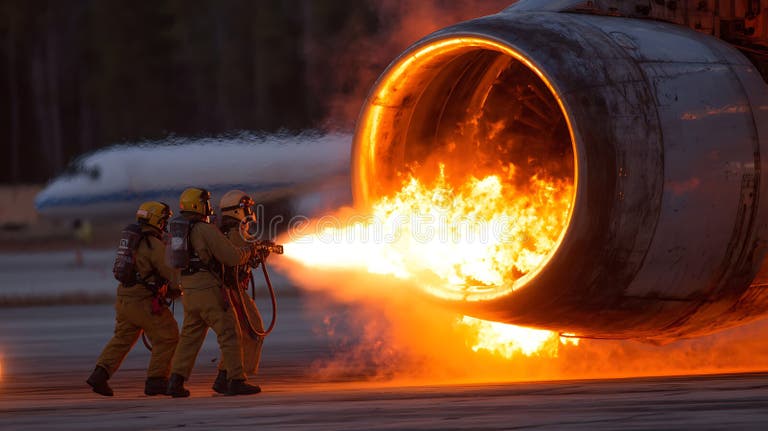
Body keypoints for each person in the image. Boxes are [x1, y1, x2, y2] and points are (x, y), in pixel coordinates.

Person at [166, 187, 262, 397]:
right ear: (198, 206)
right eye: (206, 203)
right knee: (230, 333)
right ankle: (235, 380)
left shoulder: (180, 231)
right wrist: (251, 252)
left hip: (189, 291)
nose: (209, 207)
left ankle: (175, 380)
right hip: (209, 291)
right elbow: (232, 257)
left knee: (190, 338)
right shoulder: (205, 229)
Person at [86, 201, 180, 397]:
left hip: (124, 299)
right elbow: (170, 272)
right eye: (163, 220)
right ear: (156, 219)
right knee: (168, 336)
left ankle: (100, 375)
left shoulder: (132, 240)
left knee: (122, 339)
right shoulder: (153, 243)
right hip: (143, 301)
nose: (164, 224)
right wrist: (175, 289)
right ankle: (156, 380)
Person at [211, 190, 267, 394]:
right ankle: (233, 378)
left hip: (229, 290)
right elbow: (237, 259)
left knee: (242, 333)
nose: (249, 212)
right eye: (246, 208)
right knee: (252, 331)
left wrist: (257, 252)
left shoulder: (229, 232)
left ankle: (225, 377)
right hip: (231, 291)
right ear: (236, 210)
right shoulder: (234, 234)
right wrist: (256, 252)